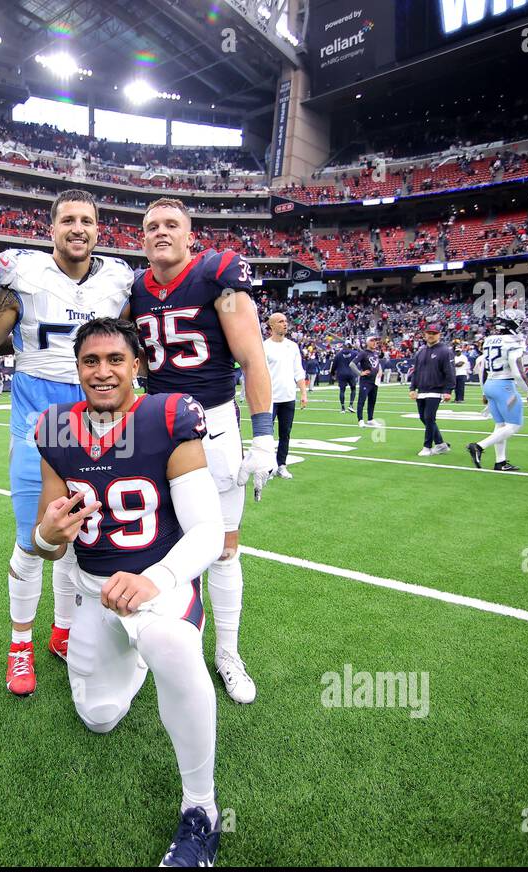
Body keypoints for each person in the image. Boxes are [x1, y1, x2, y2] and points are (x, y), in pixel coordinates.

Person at [34, 317, 226, 866]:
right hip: (94, 593)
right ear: (76, 369)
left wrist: (155, 580)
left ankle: (202, 811)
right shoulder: (55, 428)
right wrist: (47, 535)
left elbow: (209, 533)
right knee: (98, 717)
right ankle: (135, 658)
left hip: (159, 585)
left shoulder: (167, 416)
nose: (103, 371)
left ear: (136, 365)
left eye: (115, 359)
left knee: (167, 643)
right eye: (90, 361)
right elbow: (45, 541)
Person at [0, 188, 133, 696]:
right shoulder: (22, 273)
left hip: (99, 424)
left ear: (98, 228)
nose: (78, 228)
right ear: (51, 228)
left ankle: (61, 632)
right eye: (68, 221)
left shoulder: (119, 279)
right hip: (39, 421)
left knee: (80, 538)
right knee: (34, 540)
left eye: (87, 220)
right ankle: (20, 645)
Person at [128, 197, 274, 705]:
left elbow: (253, 359)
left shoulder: (217, 274)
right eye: (151, 227)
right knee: (162, 540)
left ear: (190, 235)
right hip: (159, 424)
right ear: (142, 238)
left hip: (213, 425)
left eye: (172, 224)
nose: (161, 232)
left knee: (224, 548)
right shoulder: (136, 288)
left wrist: (264, 437)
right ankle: (162, 638)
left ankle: (228, 653)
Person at [467, 314, 528, 472]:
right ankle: (479, 446)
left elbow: (483, 367)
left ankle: (501, 462)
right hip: (505, 387)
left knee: (500, 425)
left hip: (490, 385)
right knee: (514, 425)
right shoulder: (514, 342)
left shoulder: (489, 340)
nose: (522, 326)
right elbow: (518, 372)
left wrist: (483, 391)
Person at [262, 312, 306, 478]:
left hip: (288, 397)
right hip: (270, 398)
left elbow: (298, 371)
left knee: (285, 434)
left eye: (286, 321)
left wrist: (303, 393)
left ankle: (281, 465)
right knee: (267, 434)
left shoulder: (292, 346)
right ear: (272, 326)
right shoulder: (265, 346)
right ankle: (268, 466)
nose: (285, 324)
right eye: (280, 321)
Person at [408, 324, 455, 456]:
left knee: (429, 418)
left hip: (436, 390)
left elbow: (450, 371)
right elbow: (415, 371)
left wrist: (448, 390)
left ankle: (427, 447)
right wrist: (412, 387)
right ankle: (440, 444)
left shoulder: (445, 351)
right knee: (424, 418)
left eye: (434, 333)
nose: (431, 335)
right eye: (429, 332)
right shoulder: (421, 351)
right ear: (425, 334)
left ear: (439, 335)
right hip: (422, 391)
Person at [353, 335, 383, 427]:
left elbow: (378, 364)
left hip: (374, 381)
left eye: (375, 341)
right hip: (366, 381)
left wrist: (380, 370)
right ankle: (360, 419)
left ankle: (370, 419)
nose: (374, 342)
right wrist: (359, 373)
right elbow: (352, 364)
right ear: (367, 342)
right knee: (362, 400)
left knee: (372, 400)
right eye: (372, 340)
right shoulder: (363, 353)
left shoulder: (375, 353)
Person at [330, 341, 359, 413]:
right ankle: (351, 405)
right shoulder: (355, 353)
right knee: (353, 389)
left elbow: (334, 366)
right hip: (352, 373)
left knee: (342, 390)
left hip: (341, 374)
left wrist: (332, 373)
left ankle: (343, 408)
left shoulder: (338, 354)